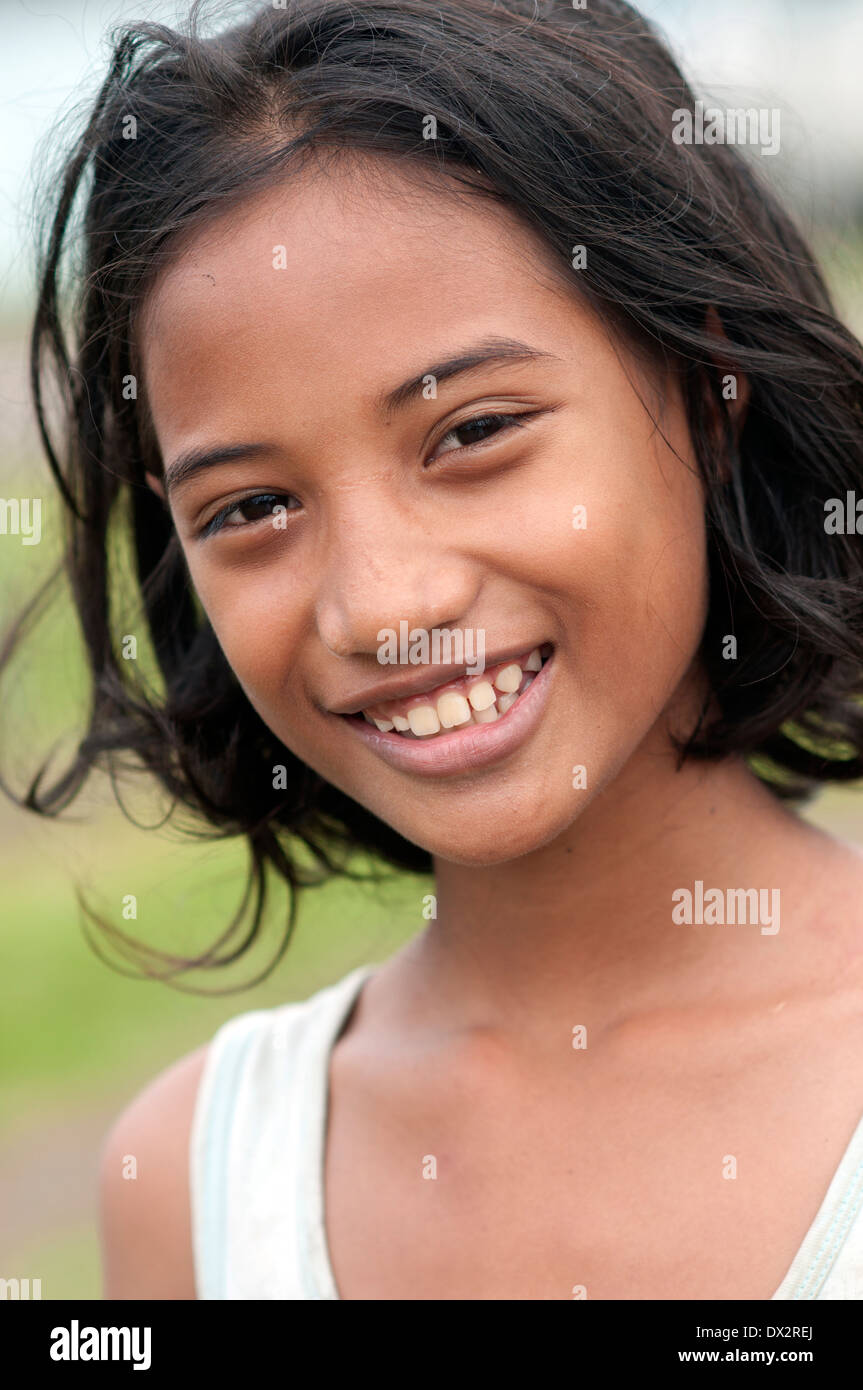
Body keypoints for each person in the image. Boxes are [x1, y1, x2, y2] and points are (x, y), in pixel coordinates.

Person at [12, 0, 863, 1298]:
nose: (377, 603)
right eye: (252, 508)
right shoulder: (197, 1188)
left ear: (708, 382)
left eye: (472, 433)